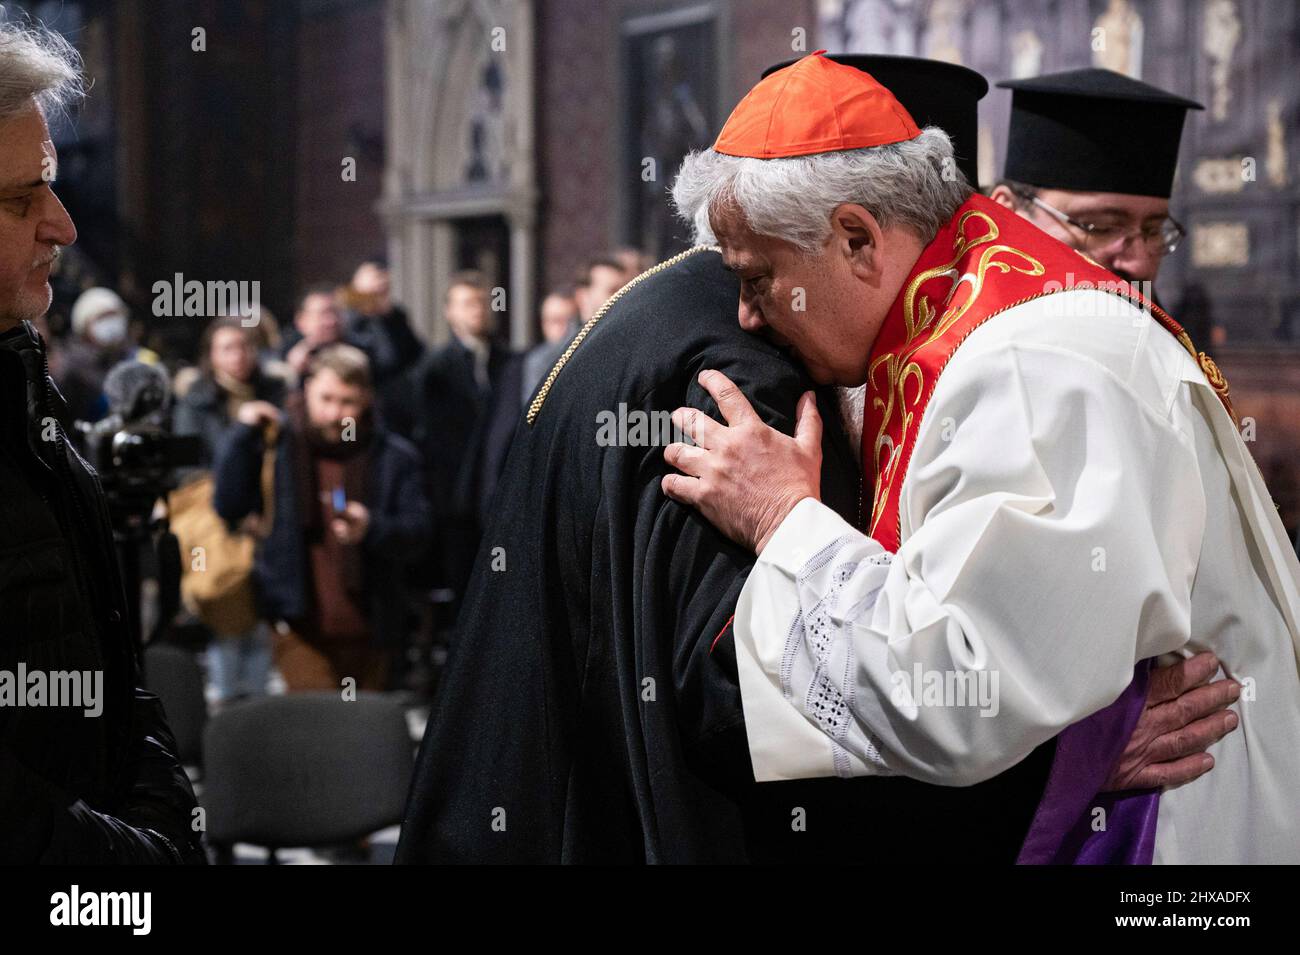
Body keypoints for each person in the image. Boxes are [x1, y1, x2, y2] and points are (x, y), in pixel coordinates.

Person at [396, 55, 1231, 864]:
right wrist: (1068, 766)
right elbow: (741, 695)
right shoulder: (746, 372)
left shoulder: (1008, 351)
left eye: (760, 280)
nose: (751, 312)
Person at [665, 52, 1298, 863]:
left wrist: (781, 517)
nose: (749, 318)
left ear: (857, 237)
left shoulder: (1035, 364)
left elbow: (958, 698)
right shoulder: (983, 326)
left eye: (760, 279)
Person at [0, 18, 203, 863]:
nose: (64, 226)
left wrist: (169, 829)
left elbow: (118, 679)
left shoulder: (26, 386)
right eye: (20, 199)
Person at [213, 344, 432, 692]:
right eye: (326, 399)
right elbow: (229, 505)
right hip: (299, 625)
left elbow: (418, 533)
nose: (335, 414)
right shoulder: (278, 446)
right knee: (318, 733)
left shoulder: (392, 456)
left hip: (372, 626)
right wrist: (241, 437)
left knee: (365, 739)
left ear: (367, 400)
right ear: (306, 393)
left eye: (347, 402)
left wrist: (372, 527)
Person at [988, 69, 1201, 290]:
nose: (1140, 266)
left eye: (1153, 231)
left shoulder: (1160, 324)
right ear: (1007, 215)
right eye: (1101, 227)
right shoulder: (964, 322)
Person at [173, 316, 286, 703]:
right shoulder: (197, 400)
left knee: (263, 621)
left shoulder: (276, 391)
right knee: (228, 612)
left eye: (244, 346)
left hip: (269, 522)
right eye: (227, 348)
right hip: (221, 522)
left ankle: (258, 712)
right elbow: (191, 472)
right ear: (210, 355)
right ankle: (227, 713)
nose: (238, 356)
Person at [402, 271, 518, 604]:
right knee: (465, 595)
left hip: (499, 496)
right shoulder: (432, 370)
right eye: (467, 303)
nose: (477, 310)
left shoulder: (510, 363)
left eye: (482, 302)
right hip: (455, 502)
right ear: (449, 312)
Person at [58, 285, 159, 423]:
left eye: (114, 315)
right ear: (83, 325)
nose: (111, 324)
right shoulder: (69, 369)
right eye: (102, 318)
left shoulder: (141, 359)